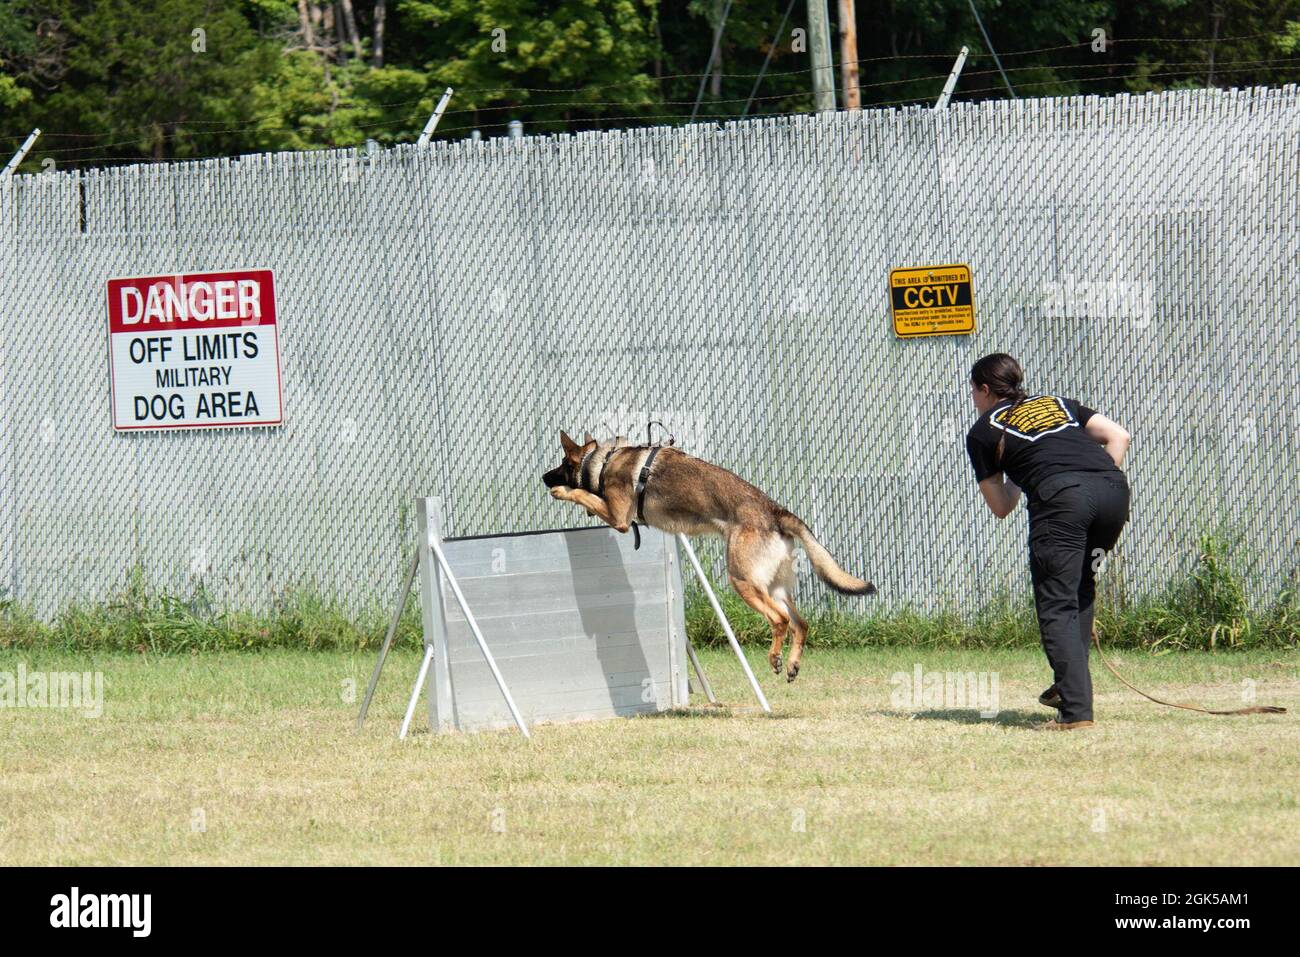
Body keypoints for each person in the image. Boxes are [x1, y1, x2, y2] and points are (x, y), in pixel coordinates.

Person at [965, 353, 1131, 730]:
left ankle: (1075, 713)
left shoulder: (983, 431)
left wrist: (1025, 470)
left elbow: (1002, 506)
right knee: (1079, 588)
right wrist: (1088, 481)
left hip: (1062, 502)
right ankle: (1070, 684)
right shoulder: (1059, 404)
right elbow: (1118, 437)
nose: (973, 400)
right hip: (1113, 492)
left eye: (973, 391)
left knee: (1056, 604)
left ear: (986, 390)